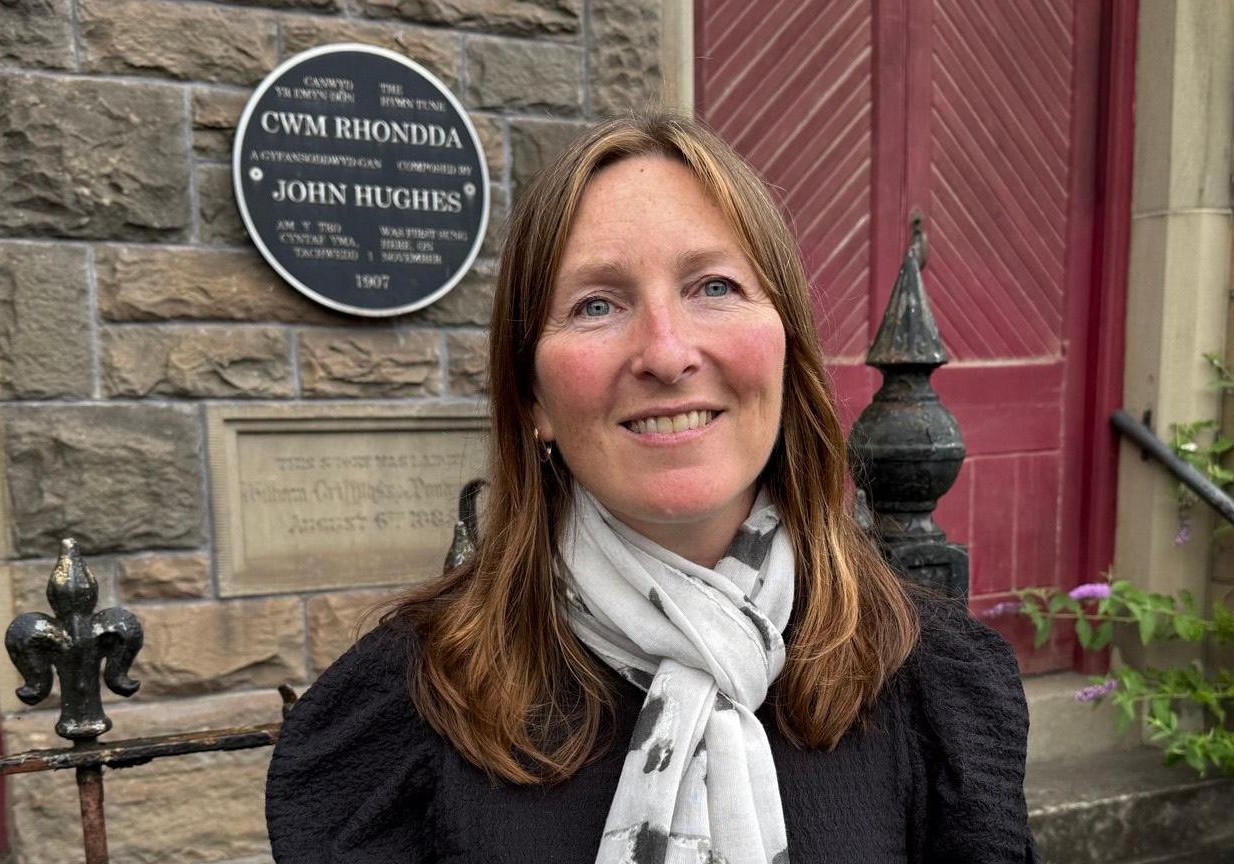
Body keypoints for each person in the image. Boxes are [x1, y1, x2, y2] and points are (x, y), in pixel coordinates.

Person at [264, 112, 1035, 863]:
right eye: (596, 305)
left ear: (785, 347)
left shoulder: (933, 686)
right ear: (532, 399)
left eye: (715, 288)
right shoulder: (403, 711)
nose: (666, 354)